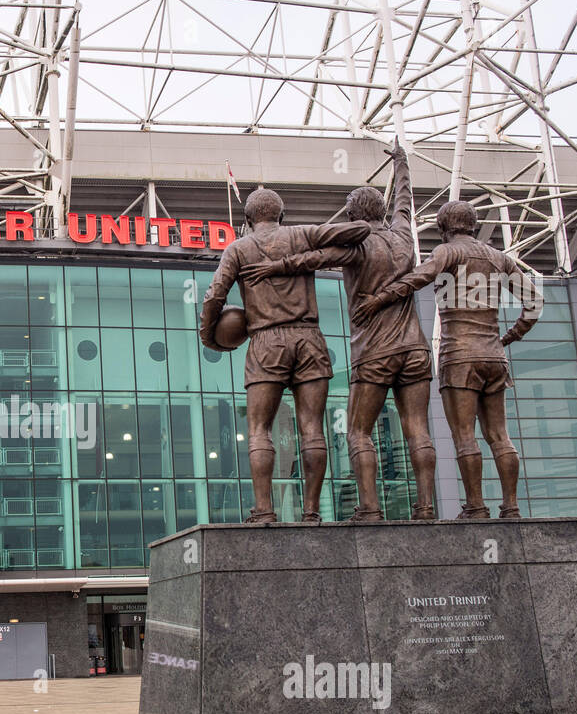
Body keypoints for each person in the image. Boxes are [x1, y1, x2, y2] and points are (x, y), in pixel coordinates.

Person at [239, 140, 437, 521]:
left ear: (351, 215)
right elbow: (405, 203)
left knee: (359, 432)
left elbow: (314, 258)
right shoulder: (402, 235)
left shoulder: (358, 246)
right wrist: (402, 164)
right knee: (418, 429)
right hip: (415, 347)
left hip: (375, 351)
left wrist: (275, 267)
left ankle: (370, 509)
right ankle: (425, 508)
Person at [354, 199, 543, 518]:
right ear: (473, 224)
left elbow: (416, 279)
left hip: (460, 356)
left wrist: (380, 299)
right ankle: (511, 507)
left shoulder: (447, 252)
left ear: (443, 228)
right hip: (494, 356)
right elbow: (534, 303)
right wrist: (510, 336)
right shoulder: (499, 258)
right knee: (499, 435)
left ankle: (476, 506)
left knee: (465, 436)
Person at [199, 189, 371, 523]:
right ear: (282, 214)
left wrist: (210, 339)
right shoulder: (302, 234)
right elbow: (361, 230)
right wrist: (308, 257)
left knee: (259, 429)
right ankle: (311, 512)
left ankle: (264, 511)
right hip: (309, 337)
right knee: (312, 429)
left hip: (266, 341)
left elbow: (214, 296)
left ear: (247, 220)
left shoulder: (239, 247)